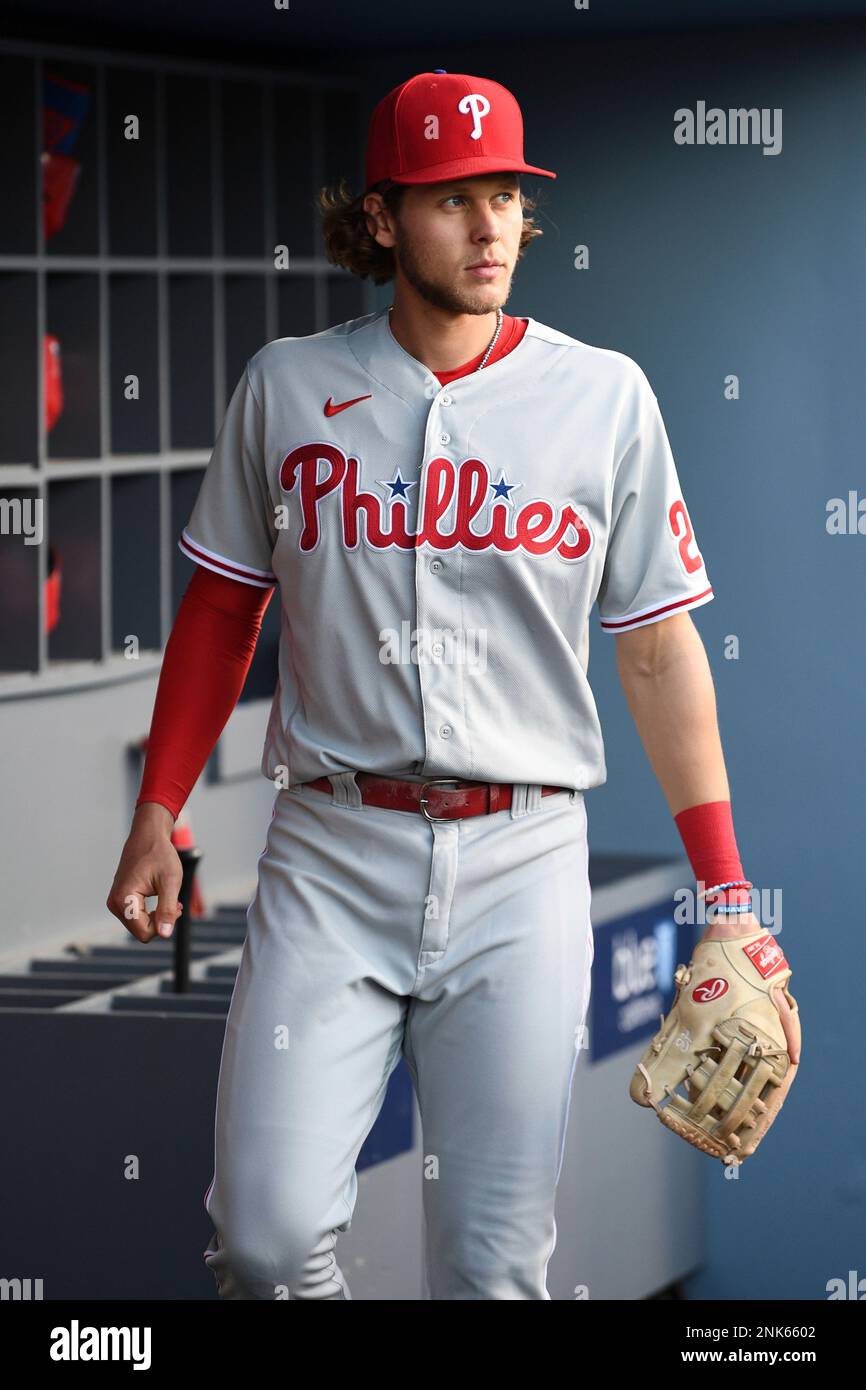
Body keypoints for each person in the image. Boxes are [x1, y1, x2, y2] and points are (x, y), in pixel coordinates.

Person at [106, 70, 800, 1300]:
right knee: (262, 1243)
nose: (489, 229)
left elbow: (654, 647)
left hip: (522, 863)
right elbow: (223, 606)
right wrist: (159, 808)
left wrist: (729, 894)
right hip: (329, 848)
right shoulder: (285, 384)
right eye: (449, 199)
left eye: (504, 196)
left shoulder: (602, 397)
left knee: (491, 1269)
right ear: (379, 219)